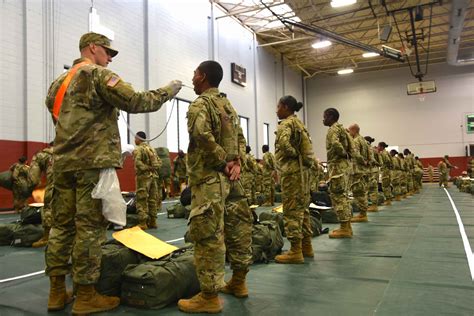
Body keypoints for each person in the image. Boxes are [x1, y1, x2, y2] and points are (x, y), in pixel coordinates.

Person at [44, 32, 182, 314]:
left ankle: (57, 291)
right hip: (91, 165)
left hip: (62, 164)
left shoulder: (57, 84)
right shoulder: (97, 76)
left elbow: (56, 114)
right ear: (92, 48)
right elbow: (137, 101)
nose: (109, 58)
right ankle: (85, 296)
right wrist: (169, 90)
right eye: (107, 52)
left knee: (61, 226)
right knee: (89, 228)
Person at [177, 60, 252, 313]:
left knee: (208, 235)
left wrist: (223, 163)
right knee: (238, 229)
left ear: (204, 77)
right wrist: (236, 163)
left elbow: (201, 136)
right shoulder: (227, 104)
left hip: (211, 179)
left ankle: (209, 297)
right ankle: (239, 282)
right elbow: (240, 138)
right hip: (233, 179)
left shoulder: (201, 104)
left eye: (195, 73)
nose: (193, 77)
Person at [272, 95, 314, 264]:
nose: (277, 110)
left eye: (278, 106)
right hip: (302, 173)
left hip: (291, 173)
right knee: (303, 209)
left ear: (286, 107)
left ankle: (296, 251)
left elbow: (283, 144)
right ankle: (307, 246)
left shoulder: (286, 124)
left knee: (291, 211)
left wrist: (292, 155)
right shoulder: (299, 124)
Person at [323, 108, 353, 238]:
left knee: (338, 197)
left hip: (337, 167)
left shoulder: (333, 129)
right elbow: (352, 146)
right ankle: (347, 226)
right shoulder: (342, 129)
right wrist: (347, 155)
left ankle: (344, 228)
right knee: (343, 197)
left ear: (330, 116)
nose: (323, 119)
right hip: (342, 166)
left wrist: (343, 153)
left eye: (324, 117)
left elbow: (335, 143)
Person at [133, 131, 161, 230]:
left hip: (143, 177)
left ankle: (143, 223)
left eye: (135, 138)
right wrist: (152, 169)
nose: (134, 140)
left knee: (141, 199)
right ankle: (153, 221)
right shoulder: (152, 149)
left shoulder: (139, 149)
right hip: (154, 177)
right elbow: (159, 162)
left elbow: (137, 163)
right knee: (152, 200)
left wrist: (146, 168)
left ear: (139, 138)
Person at [28, 142, 54, 247]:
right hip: (76, 188)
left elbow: (33, 178)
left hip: (53, 188)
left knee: (48, 210)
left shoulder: (42, 155)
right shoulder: (73, 152)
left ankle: (47, 237)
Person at [348, 124, 370, 223]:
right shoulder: (364, 141)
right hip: (363, 170)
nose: (349, 133)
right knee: (362, 191)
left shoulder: (356, 141)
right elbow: (369, 155)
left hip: (357, 169)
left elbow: (356, 154)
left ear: (354, 130)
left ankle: (362, 214)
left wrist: (362, 161)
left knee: (358, 192)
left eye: (349, 131)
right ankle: (363, 213)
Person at [365, 136, 380, 212]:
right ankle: (373, 205)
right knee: (373, 187)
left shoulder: (368, 148)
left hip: (369, 170)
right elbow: (380, 162)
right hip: (374, 169)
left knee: (371, 188)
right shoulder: (374, 150)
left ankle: (373, 205)